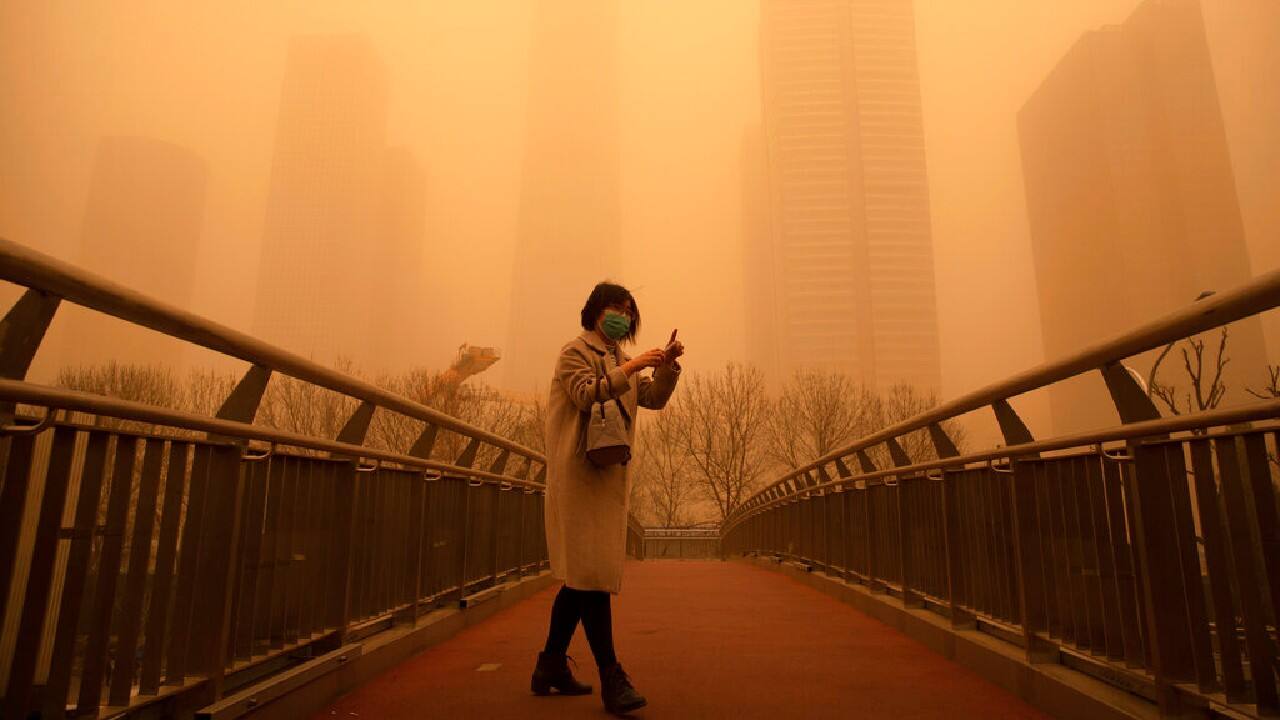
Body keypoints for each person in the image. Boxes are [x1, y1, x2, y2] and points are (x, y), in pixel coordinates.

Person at [531, 281, 684, 716]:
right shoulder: (574, 352)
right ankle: (612, 677)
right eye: (615, 307)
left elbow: (651, 399)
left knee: (582, 575)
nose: (622, 315)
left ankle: (550, 666)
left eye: (627, 309)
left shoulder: (620, 360)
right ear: (595, 311)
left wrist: (666, 367)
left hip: (608, 478)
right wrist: (634, 366)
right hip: (578, 479)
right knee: (592, 577)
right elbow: (585, 393)